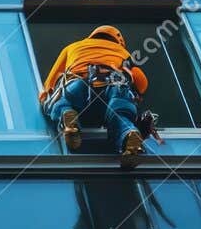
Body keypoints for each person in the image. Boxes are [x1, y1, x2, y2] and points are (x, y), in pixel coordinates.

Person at [40, 24, 149, 166]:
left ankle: (68, 116)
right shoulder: (124, 53)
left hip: (79, 83)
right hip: (114, 87)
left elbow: (52, 80)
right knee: (120, 115)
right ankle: (129, 135)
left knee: (61, 101)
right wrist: (138, 93)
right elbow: (140, 79)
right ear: (119, 41)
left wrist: (45, 98)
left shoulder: (73, 47)